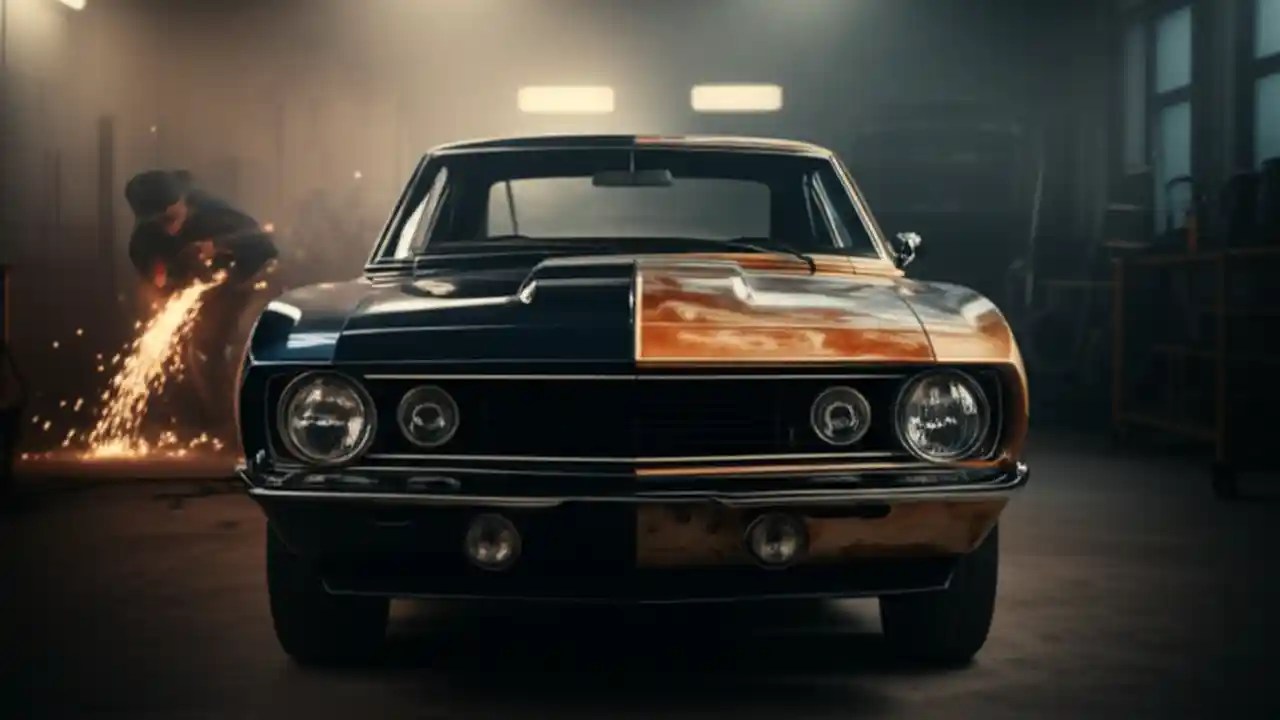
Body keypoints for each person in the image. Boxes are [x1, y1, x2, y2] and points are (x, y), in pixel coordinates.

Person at [124, 170, 282, 436]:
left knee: (221, 343)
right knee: (188, 350)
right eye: (158, 223)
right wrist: (160, 273)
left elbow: (265, 245)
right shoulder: (147, 230)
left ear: (182, 202)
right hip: (198, 287)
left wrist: (218, 246)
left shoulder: (215, 213)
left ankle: (243, 422)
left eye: (169, 219)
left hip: (249, 277)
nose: (167, 228)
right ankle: (211, 421)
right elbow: (143, 256)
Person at [0, 336, 26, 501]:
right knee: (7, 447)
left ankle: (7, 478)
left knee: (7, 447)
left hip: (8, 408)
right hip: (8, 408)